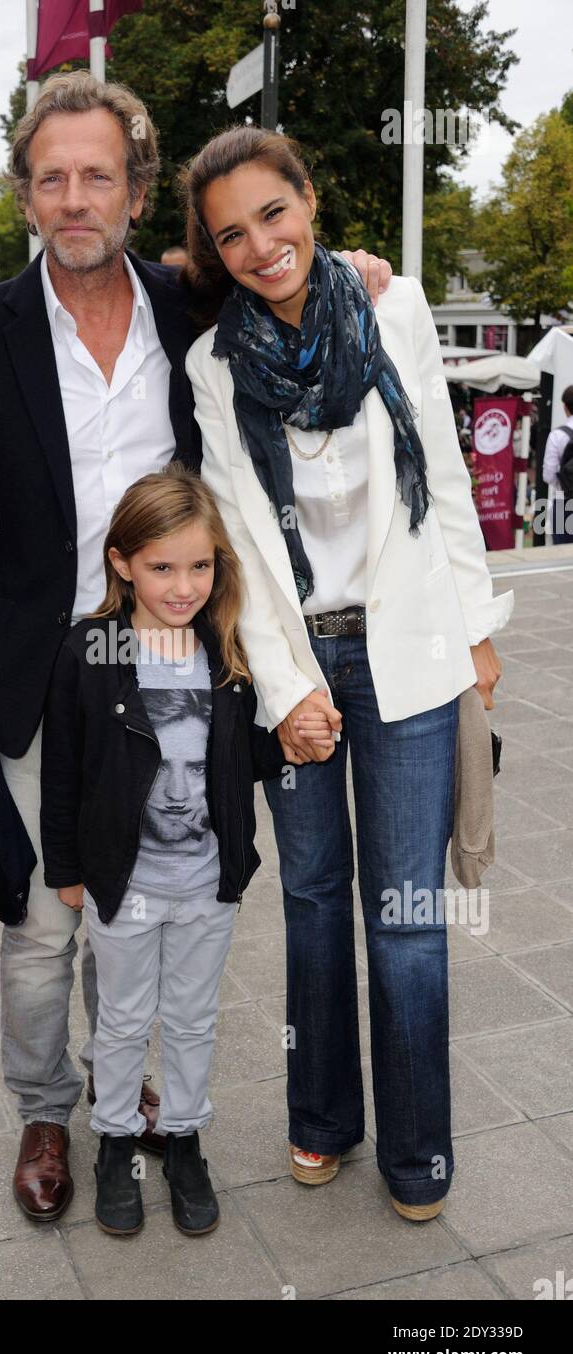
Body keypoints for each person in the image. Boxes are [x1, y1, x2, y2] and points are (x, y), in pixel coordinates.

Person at [0, 67, 391, 1225]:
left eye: (97, 176)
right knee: (39, 920)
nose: (74, 197)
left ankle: (134, 1092)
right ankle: (43, 1107)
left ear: (132, 192)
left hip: (177, 659)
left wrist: (363, 273)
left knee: (149, 891)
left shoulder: (188, 304)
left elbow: (289, 284)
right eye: (50, 178)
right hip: (29, 673)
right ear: (25, 196)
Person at [182, 126, 514, 1221]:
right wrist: (285, 692)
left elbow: (447, 475)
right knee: (315, 903)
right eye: (230, 234)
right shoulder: (213, 365)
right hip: (297, 658)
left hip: (408, 646)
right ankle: (321, 1118)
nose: (258, 246)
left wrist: (473, 625)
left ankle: (416, 1150)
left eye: (272, 215)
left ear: (309, 200)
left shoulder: (392, 308)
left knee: (406, 916)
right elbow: (233, 539)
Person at [41, 464, 286, 1236]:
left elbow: (252, 754)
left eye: (201, 565)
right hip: (126, 881)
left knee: (190, 1019)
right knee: (121, 1019)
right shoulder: (91, 650)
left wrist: (300, 732)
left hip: (207, 882)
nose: (184, 586)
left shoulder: (228, 649)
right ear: (121, 562)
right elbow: (63, 772)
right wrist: (69, 872)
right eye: (162, 567)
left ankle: (182, 1140)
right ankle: (116, 1142)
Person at [542, 383, 573, 545]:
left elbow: (548, 475)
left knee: (563, 555)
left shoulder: (557, 435)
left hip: (563, 501)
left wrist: (566, 484)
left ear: (565, 407)